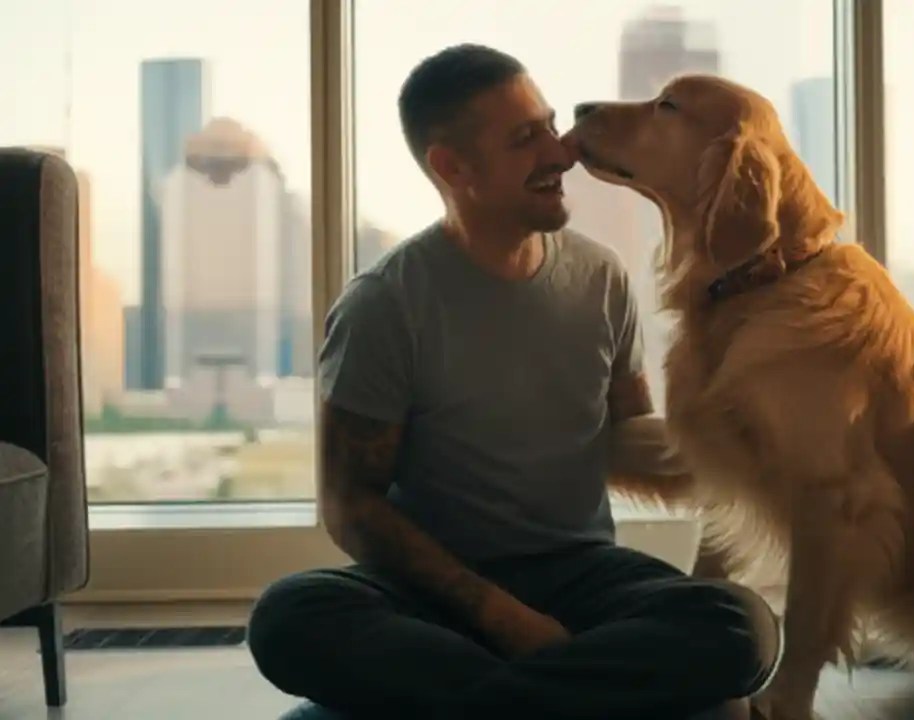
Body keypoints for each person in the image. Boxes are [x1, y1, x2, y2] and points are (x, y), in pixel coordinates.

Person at [245, 44, 780, 720]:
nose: (562, 152)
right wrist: (501, 616)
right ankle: (578, 696)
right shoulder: (384, 304)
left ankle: (482, 702)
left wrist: (745, 440)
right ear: (453, 167)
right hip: (436, 590)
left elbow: (628, 435)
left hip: (581, 573)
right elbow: (352, 505)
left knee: (742, 626)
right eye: (526, 139)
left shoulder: (601, 277)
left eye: (550, 126)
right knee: (289, 616)